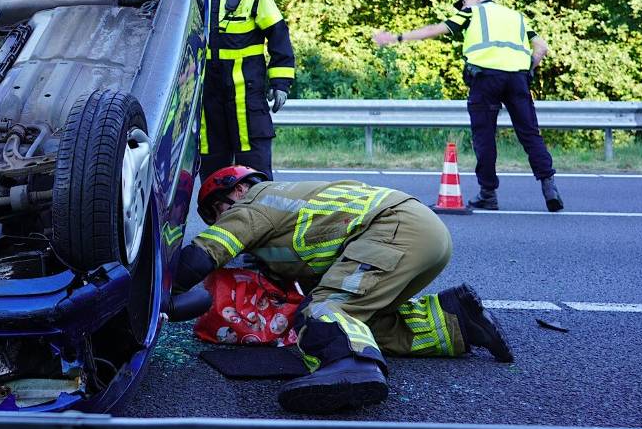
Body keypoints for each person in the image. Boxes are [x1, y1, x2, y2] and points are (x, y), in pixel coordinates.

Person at [172, 166, 513, 414]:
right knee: (367, 322)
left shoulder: (255, 203)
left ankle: (350, 366)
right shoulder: (291, 206)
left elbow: (204, 253)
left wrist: (162, 291)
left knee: (323, 311)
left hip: (393, 229)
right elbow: (306, 276)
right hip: (422, 231)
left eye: (217, 211)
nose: (220, 219)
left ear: (238, 190)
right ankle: (458, 321)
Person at [372, 0, 562, 212]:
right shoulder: (516, 17)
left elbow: (435, 30)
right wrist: (528, 70)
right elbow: (541, 47)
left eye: (463, 1)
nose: (462, 6)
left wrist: (396, 38)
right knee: (530, 133)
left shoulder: (472, 12)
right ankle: (549, 187)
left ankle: (488, 194)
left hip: (486, 78)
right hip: (517, 79)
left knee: (484, 136)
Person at [198, 0, 295, 181]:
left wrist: (281, 83)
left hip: (247, 96)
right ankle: (218, 223)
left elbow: (278, 35)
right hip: (208, 97)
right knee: (213, 177)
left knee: (256, 175)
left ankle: (262, 223)